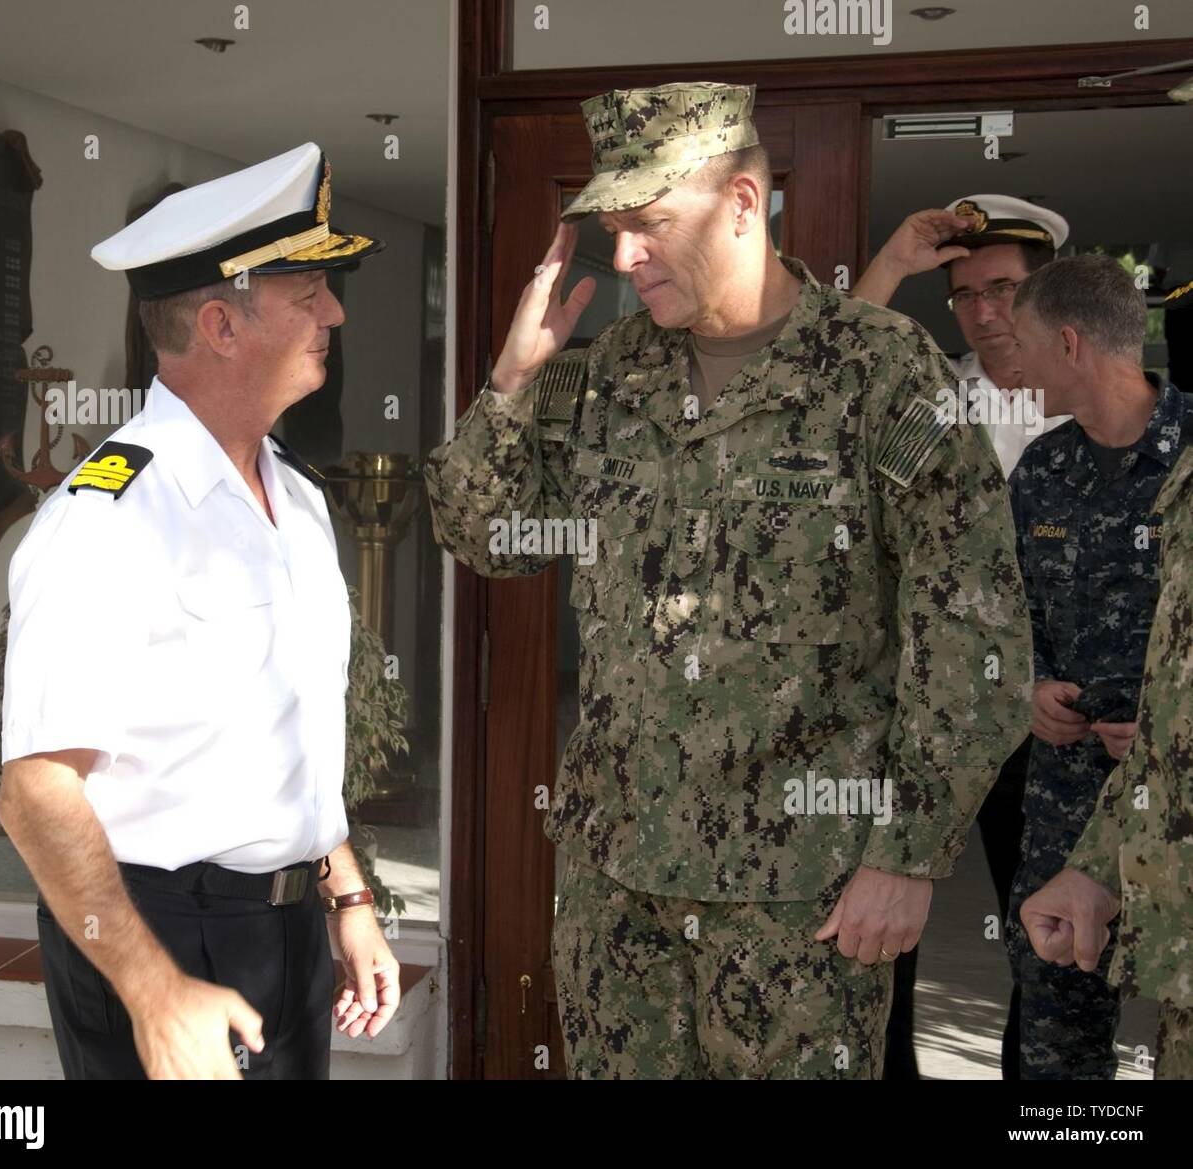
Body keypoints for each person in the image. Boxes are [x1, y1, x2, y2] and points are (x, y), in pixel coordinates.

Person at [426, 81, 1031, 1079]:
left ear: (744, 205)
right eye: (614, 229)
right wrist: (509, 384)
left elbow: (975, 633)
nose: (622, 257)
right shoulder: (605, 373)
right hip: (615, 888)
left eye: (650, 224)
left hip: (799, 899)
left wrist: (907, 851)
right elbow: (488, 538)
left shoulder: (882, 372)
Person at [0, 143, 399, 1080]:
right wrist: (153, 989)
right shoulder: (107, 519)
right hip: (158, 934)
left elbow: (283, 737)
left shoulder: (294, 497)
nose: (333, 311)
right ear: (221, 323)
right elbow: (37, 793)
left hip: (287, 931)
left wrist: (346, 898)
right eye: (308, 293)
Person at [853, 194, 1070, 1078]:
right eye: (965, 294)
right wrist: (897, 258)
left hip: (1051, 723)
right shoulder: (929, 397)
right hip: (928, 718)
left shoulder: (1097, 400)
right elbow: (832, 366)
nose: (983, 311)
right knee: (881, 933)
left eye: (1004, 289)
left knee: (1049, 941)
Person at [1002, 255, 1193, 1079]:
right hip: (1064, 797)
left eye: (1024, 344)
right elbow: (1006, 617)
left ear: (1070, 344)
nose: (1014, 365)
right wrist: (1029, 687)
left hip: (1177, 808)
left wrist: (1161, 735)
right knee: (1057, 1046)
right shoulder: (1041, 472)